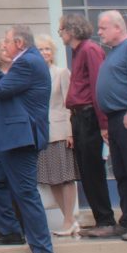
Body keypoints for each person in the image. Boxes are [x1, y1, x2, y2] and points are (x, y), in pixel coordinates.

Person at [0, 26, 57, 253]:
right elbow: (9, 85)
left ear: (19, 43)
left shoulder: (27, 62)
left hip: (21, 139)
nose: (4, 45)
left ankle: (44, 252)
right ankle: (10, 231)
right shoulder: (28, 61)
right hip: (13, 138)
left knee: (26, 193)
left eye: (7, 41)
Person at [85, 10, 127, 242]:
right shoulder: (113, 52)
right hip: (115, 117)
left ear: (118, 27)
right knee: (122, 171)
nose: (99, 32)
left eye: (103, 28)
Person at [60, 12, 114, 232]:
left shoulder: (90, 50)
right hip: (79, 116)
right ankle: (101, 219)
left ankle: (106, 220)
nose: (60, 34)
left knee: (93, 170)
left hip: (89, 116)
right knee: (86, 171)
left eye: (62, 29)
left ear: (71, 30)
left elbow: (97, 86)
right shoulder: (77, 52)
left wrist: (103, 124)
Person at [35, 34, 79, 237]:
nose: (44, 52)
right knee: (51, 179)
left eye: (47, 49)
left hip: (60, 131)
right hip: (41, 133)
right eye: (40, 49)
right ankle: (68, 220)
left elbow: (69, 103)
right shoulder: (32, 75)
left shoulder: (61, 73)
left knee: (65, 177)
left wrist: (70, 132)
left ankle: (70, 219)